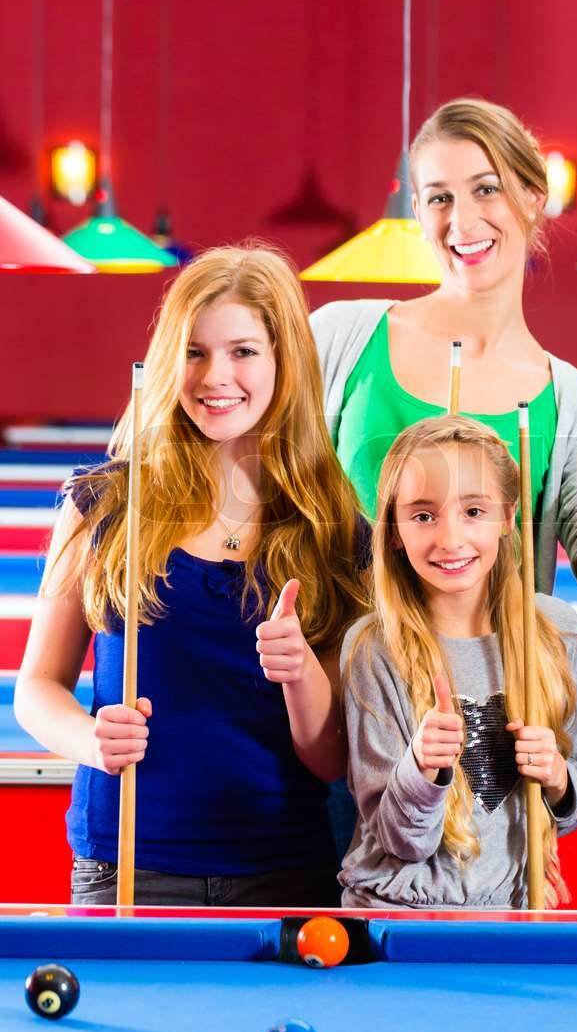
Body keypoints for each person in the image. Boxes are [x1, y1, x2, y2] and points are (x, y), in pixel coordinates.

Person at [14, 245, 368, 906]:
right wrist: (89, 739)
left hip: (286, 866)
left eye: (242, 351)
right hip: (126, 862)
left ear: (283, 361)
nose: (216, 376)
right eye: (195, 352)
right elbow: (37, 687)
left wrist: (301, 673)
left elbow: (333, 758)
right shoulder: (104, 505)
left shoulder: (332, 528)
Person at [311, 97, 577, 601]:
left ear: (534, 197)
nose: (462, 221)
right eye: (438, 198)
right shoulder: (338, 337)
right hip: (339, 673)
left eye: (486, 190)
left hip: (490, 678)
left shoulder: (576, 405)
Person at [338, 415, 577, 909]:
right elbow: (401, 840)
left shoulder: (554, 632)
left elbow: (573, 806)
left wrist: (559, 779)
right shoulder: (373, 647)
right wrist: (423, 768)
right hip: (398, 914)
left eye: (473, 510)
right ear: (393, 530)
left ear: (507, 516)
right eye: (422, 516)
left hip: (513, 915)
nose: (450, 538)